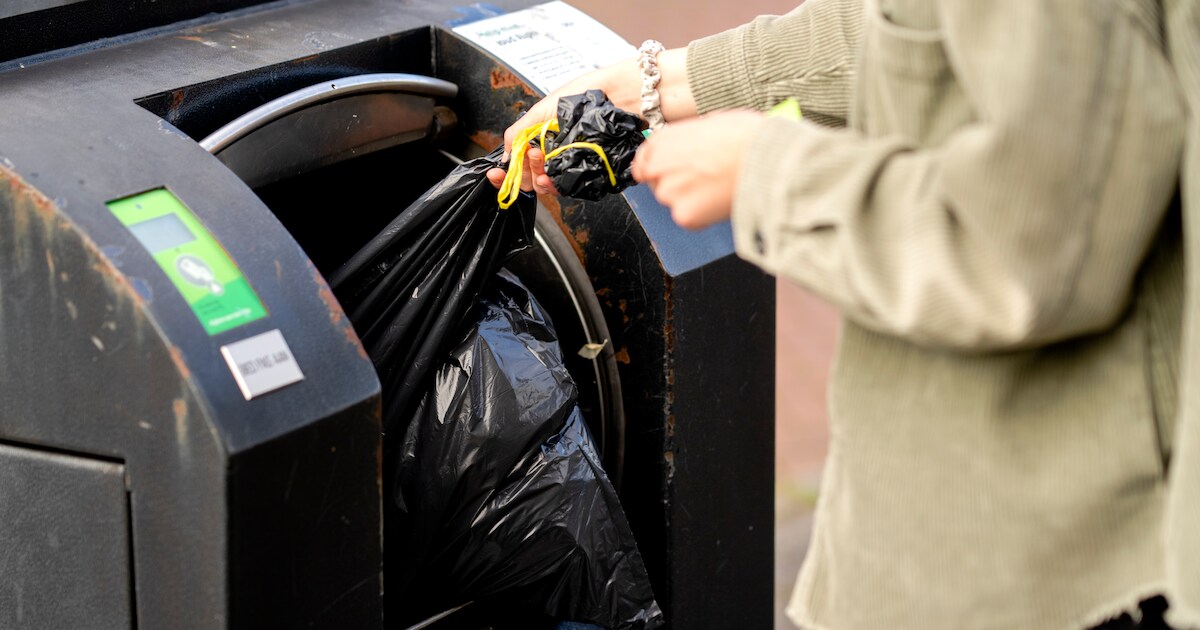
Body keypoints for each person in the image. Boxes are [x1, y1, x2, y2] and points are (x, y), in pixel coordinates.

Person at [488, 1, 1200, 629]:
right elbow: (911, 26)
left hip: (1070, 556)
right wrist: (655, 86)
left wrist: (768, 173)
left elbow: (1038, 238)